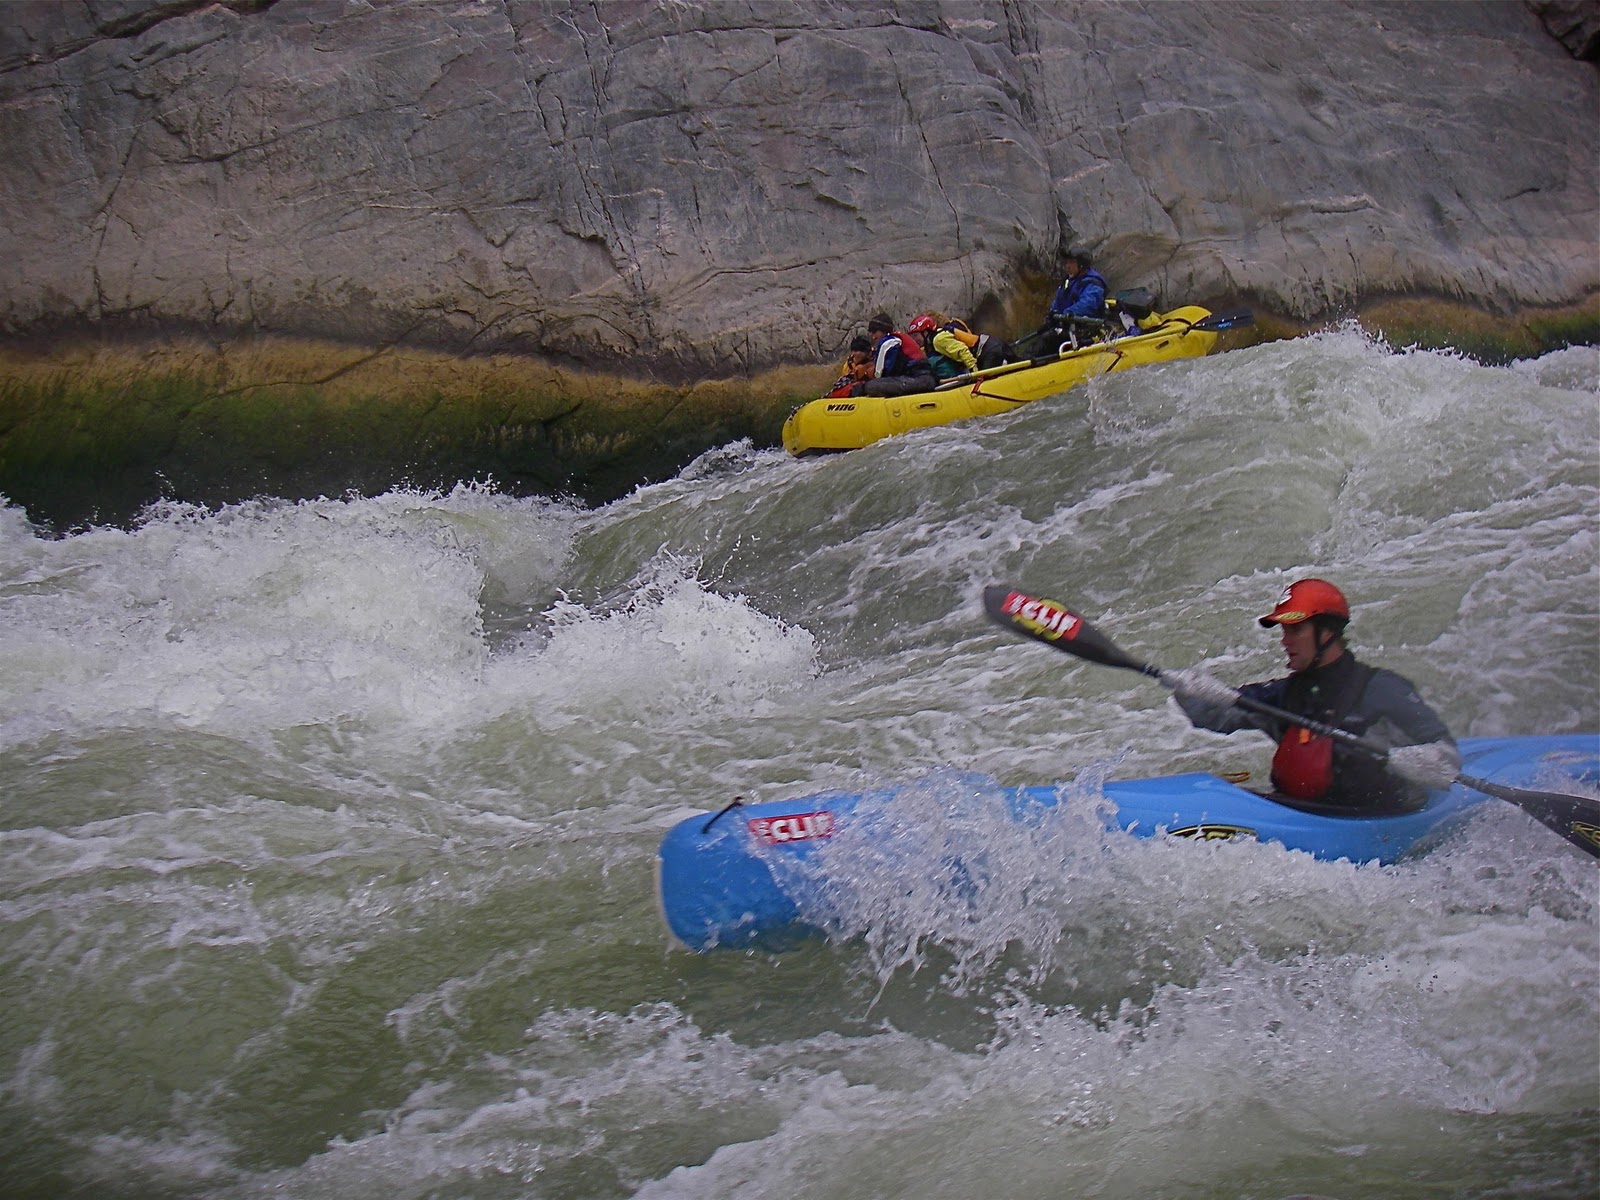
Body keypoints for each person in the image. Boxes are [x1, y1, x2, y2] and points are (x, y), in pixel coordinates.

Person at [1162, 578, 1461, 813]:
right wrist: (1188, 689)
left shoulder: (1382, 690)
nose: (1285, 641)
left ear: (1326, 632)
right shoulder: (1285, 694)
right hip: (1303, 814)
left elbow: (1446, 756)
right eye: (1284, 631)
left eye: (1296, 630)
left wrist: (1419, 759)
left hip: (1376, 818)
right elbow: (1214, 716)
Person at [850, 313, 935, 397]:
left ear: (883, 330)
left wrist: (866, 375)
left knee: (870, 386)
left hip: (918, 379)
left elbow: (879, 374)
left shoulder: (888, 342)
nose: (873, 336)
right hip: (921, 378)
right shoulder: (897, 338)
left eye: (874, 331)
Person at [908, 312, 1006, 380]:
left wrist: (974, 372)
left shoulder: (938, 340)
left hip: (987, 350)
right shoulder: (932, 341)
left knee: (985, 381)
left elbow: (962, 350)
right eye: (912, 336)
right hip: (987, 348)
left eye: (916, 335)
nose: (914, 339)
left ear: (925, 332)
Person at [1046, 248, 1108, 325]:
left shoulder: (1094, 284)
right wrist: (1052, 314)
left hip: (1085, 326)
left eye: (1072, 262)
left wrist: (1068, 313)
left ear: (1081, 265)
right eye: (1067, 262)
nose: (1068, 266)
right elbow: (1058, 302)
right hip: (1066, 324)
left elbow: (1088, 304)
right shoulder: (1068, 281)